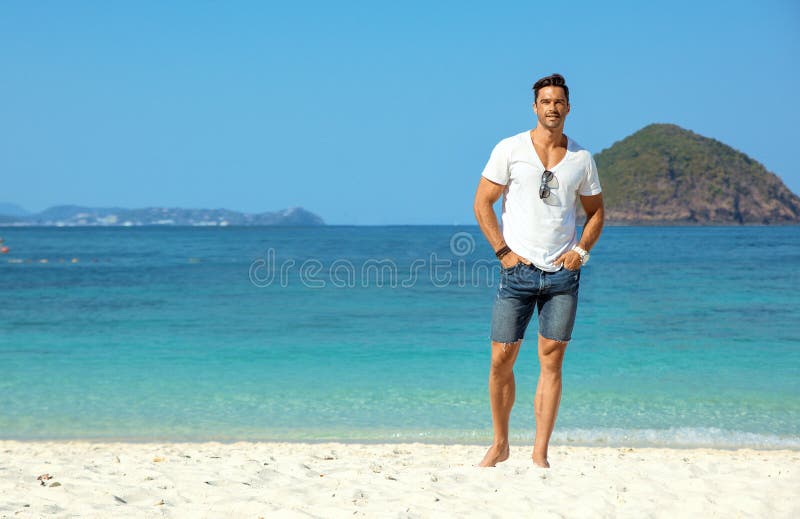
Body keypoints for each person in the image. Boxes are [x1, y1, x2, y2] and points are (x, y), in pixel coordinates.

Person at [473, 73, 604, 468]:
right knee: (501, 358)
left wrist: (581, 249)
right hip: (518, 272)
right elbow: (482, 203)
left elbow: (596, 213)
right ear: (535, 107)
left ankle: (540, 454)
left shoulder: (581, 158)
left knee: (552, 360)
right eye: (545, 101)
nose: (551, 107)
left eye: (558, 102)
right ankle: (500, 443)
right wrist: (503, 252)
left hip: (562, 276)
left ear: (568, 108)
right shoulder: (510, 149)